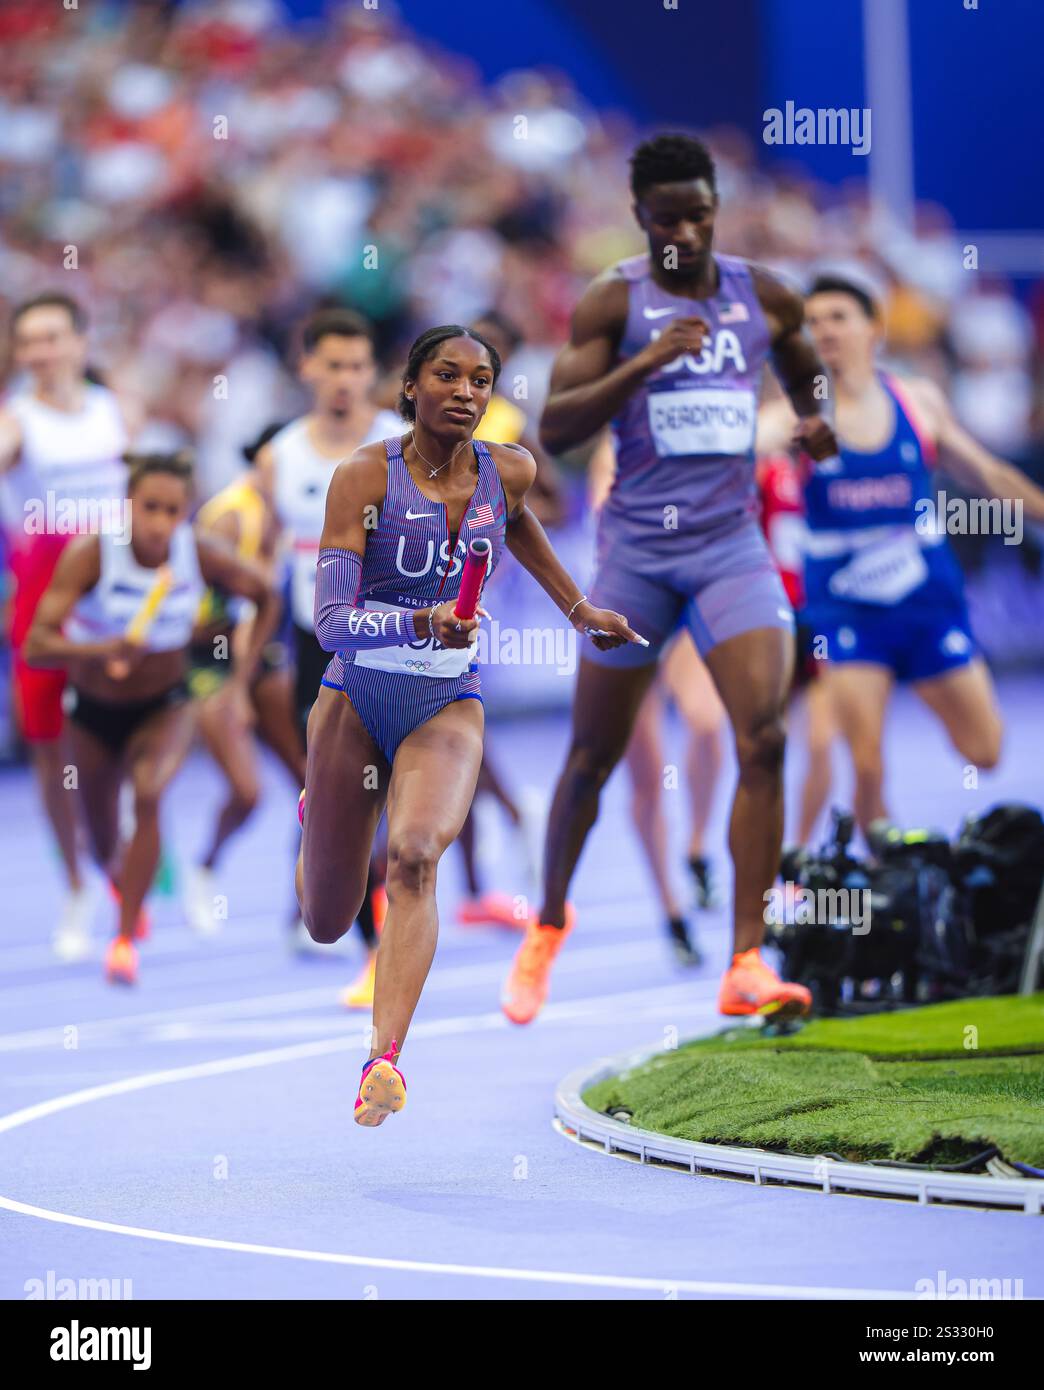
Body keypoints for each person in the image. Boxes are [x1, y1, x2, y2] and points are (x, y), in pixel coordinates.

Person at [501, 133, 838, 1026]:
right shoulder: (614, 299)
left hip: (731, 546)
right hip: (638, 554)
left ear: (716, 208)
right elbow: (559, 428)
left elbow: (806, 364)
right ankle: (548, 923)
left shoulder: (761, 293)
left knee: (762, 738)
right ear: (640, 219)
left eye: (700, 214)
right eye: (667, 219)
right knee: (593, 758)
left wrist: (817, 419)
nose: (685, 231)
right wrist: (645, 363)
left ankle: (745, 958)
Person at [295, 324, 640, 1125]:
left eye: (482, 380)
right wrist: (420, 623)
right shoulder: (361, 477)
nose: (466, 392)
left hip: (446, 702)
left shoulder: (507, 470)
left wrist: (579, 608)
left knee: (415, 856)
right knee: (325, 920)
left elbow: (517, 525)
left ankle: (383, 1061)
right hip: (353, 698)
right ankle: (321, 810)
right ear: (410, 387)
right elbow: (330, 625)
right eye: (447, 376)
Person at [759, 274, 1044, 832]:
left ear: (874, 328)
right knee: (865, 763)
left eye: (838, 317)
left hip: (926, 600)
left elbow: (988, 472)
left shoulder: (917, 401)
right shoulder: (795, 416)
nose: (825, 331)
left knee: (985, 750)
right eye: (812, 323)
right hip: (845, 610)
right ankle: (889, 880)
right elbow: (732, 448)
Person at [24, 451, 278, 984]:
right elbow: (37, 646)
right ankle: (121, 882)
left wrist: (238, 678)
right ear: (127, 506)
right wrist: (101, 650)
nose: (162, 524)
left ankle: (121, 940)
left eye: (173, 511)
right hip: (92, 713)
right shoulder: (91, 555)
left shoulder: (199, 554)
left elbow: (264, 594)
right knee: (99, 840)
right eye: (151, 509)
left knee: (147, 793)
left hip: (166, 705)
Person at [255, 307, 401, 987]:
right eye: (331, 365)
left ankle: (381, 930)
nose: (344, 380)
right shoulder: (278, 456)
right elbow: (259, 563)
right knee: (337, 791)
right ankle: (365, 937)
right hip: (317, 644)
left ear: (373, 372)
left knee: (391, 794)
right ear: (306, 367)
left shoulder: (402, 444)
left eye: (357, 367)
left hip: (397, 642)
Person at [0, 292, 139, 959]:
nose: (39, 353)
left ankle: (120, 855)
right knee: (50, 745)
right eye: (28, 342)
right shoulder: (17, 421)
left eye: (51, 338)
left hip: (113, 584)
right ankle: (78, 880)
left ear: (81, 342)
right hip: (45, 588)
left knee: (123, 731)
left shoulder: (112, 410)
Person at [587, 430, 725, 964]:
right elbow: (604, 517)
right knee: (647, 777)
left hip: (686, 600)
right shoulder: (615, 447)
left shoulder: (705, 434)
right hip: (628, 609)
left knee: (708, 722)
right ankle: (672, 910)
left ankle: (695, 847)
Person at [184, 424, 305, 933]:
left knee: (313, 789)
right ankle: (203, 866)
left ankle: (305, 912)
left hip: (262, 655)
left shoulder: (289, 515)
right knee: (247, 792)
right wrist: (233, 680)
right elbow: (200, 600)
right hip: (207, 660)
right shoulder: (233, 515)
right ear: (262, 461)